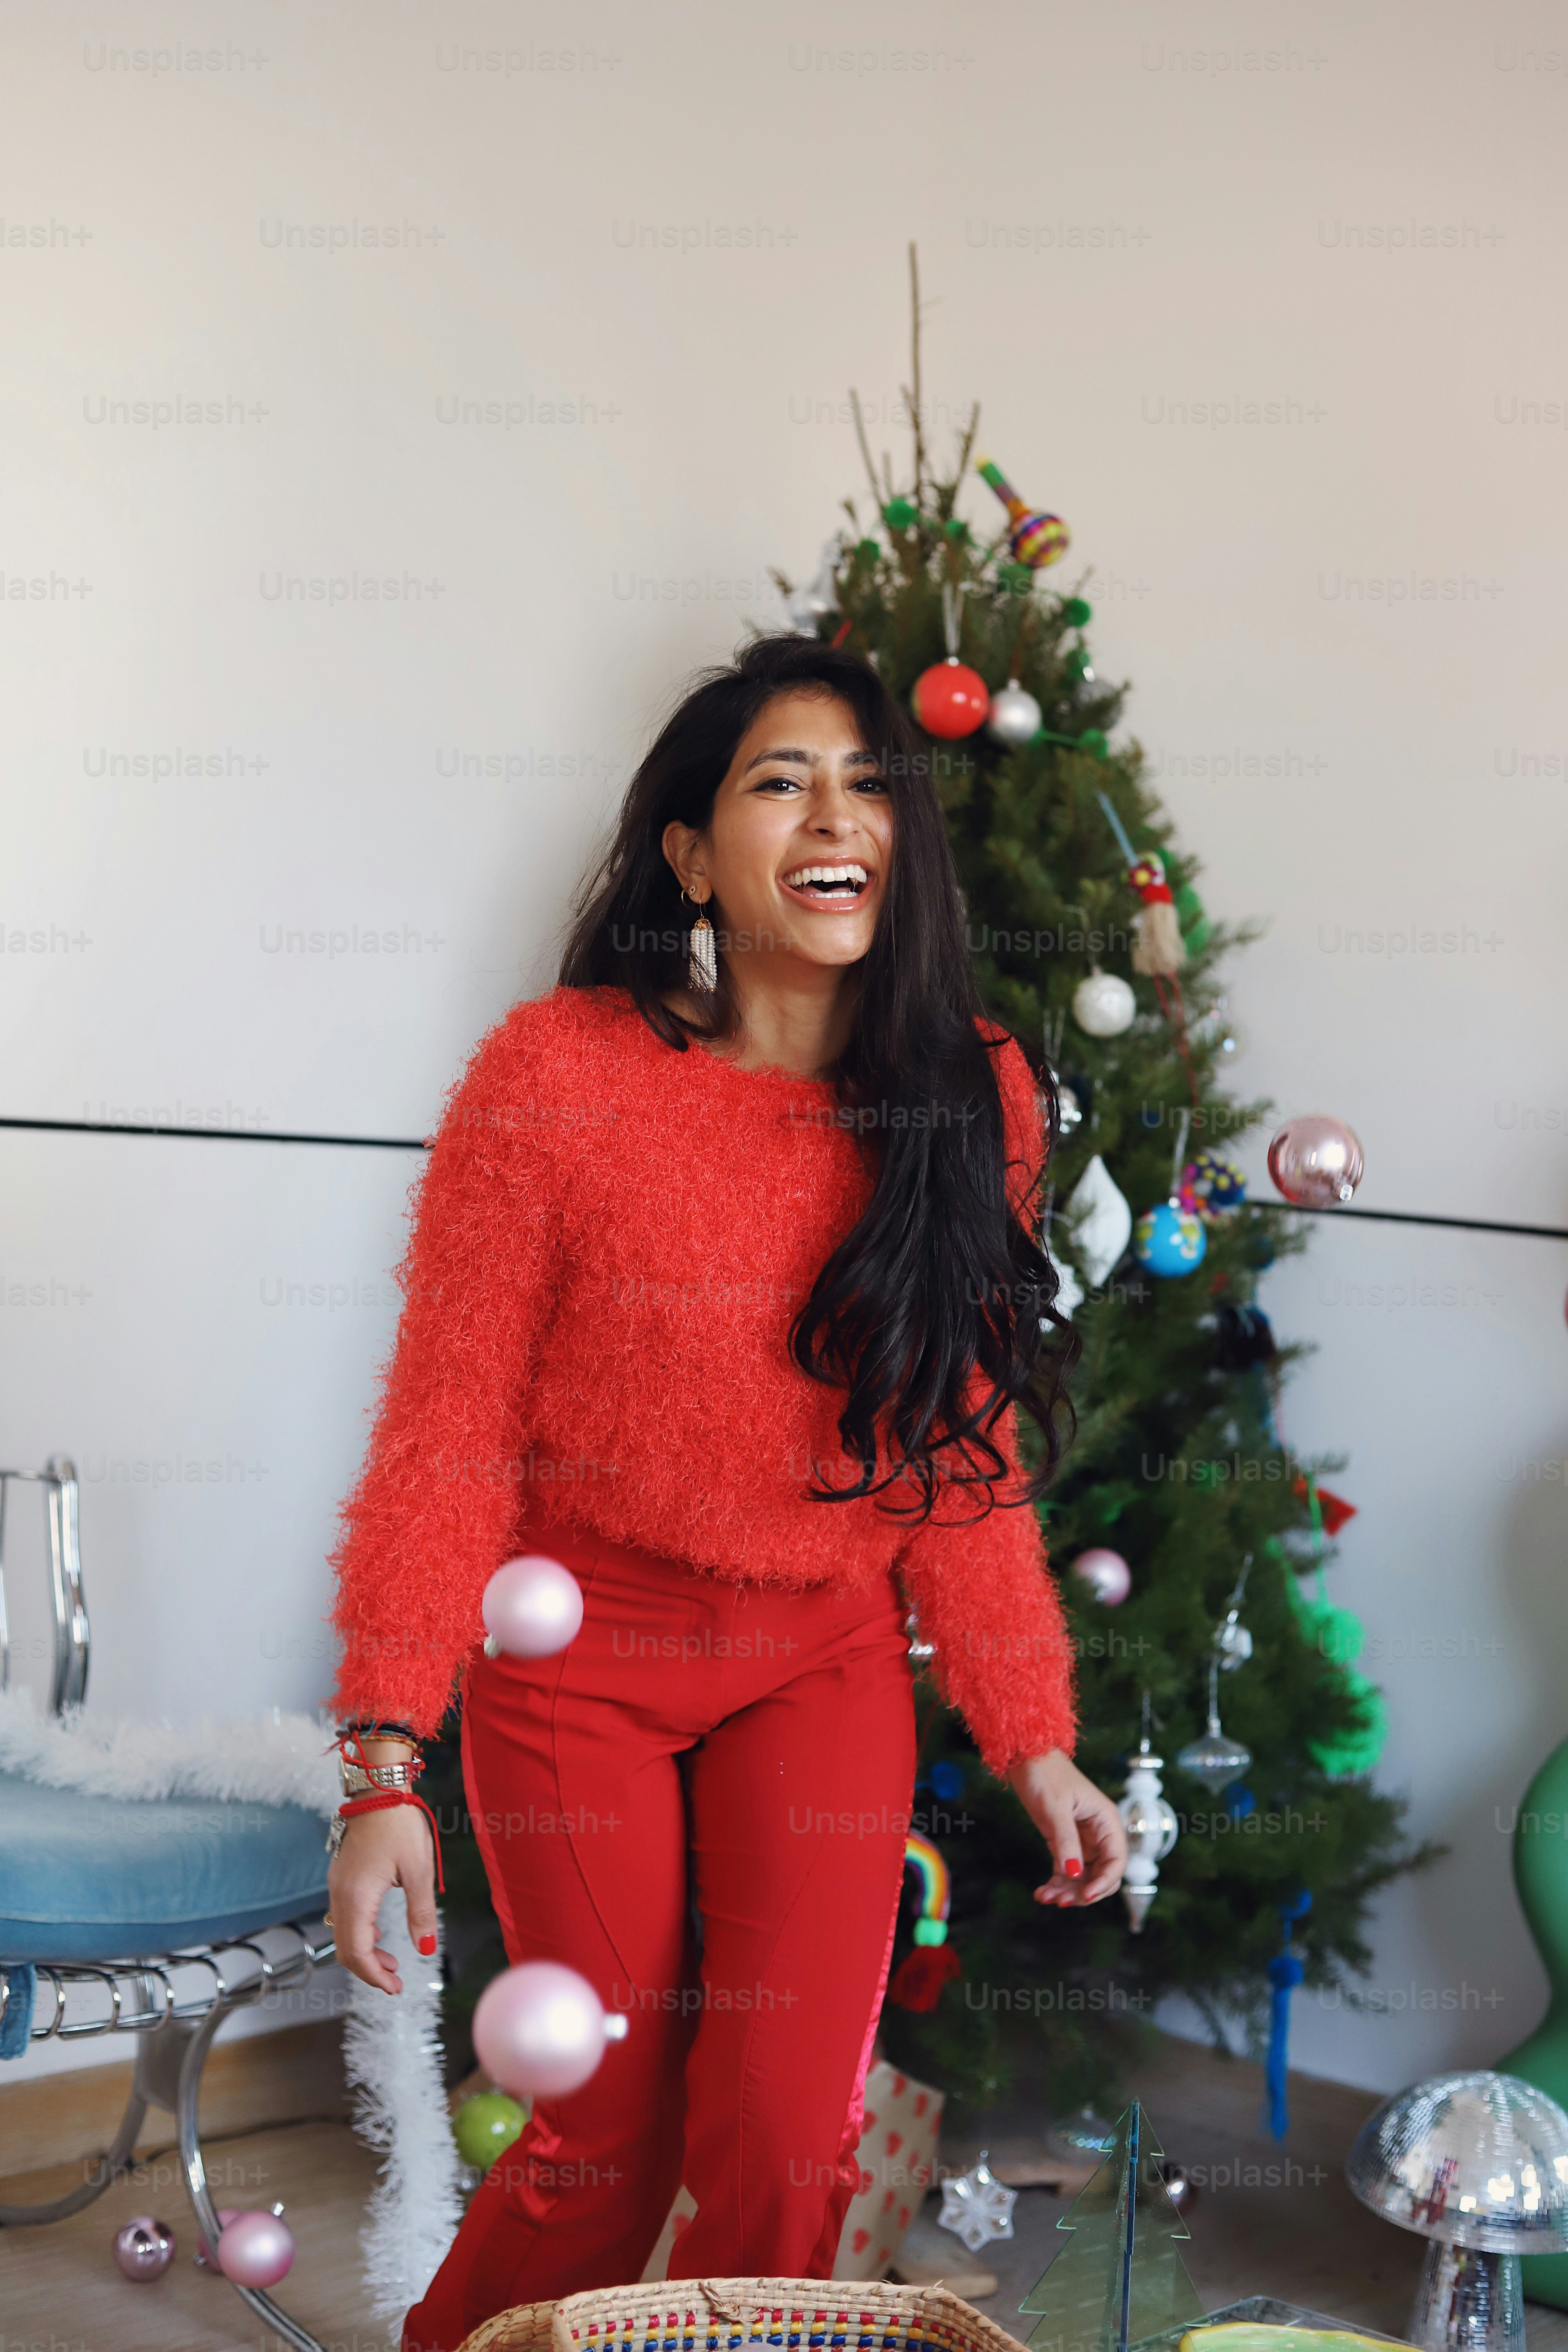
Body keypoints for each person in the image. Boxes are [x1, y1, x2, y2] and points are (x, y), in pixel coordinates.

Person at [325, 635, 1128, 2349]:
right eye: (780, 780)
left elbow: (956, 1454)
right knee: (601, 2132)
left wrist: (1030, 1729)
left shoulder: (965, 1092)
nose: (834, 815)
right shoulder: (554, 1080)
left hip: (818, 1654)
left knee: (781, 2137)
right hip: (580, 1652)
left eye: (866, 785)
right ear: (690, 852)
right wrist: (385, 1755)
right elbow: (444, 1430)